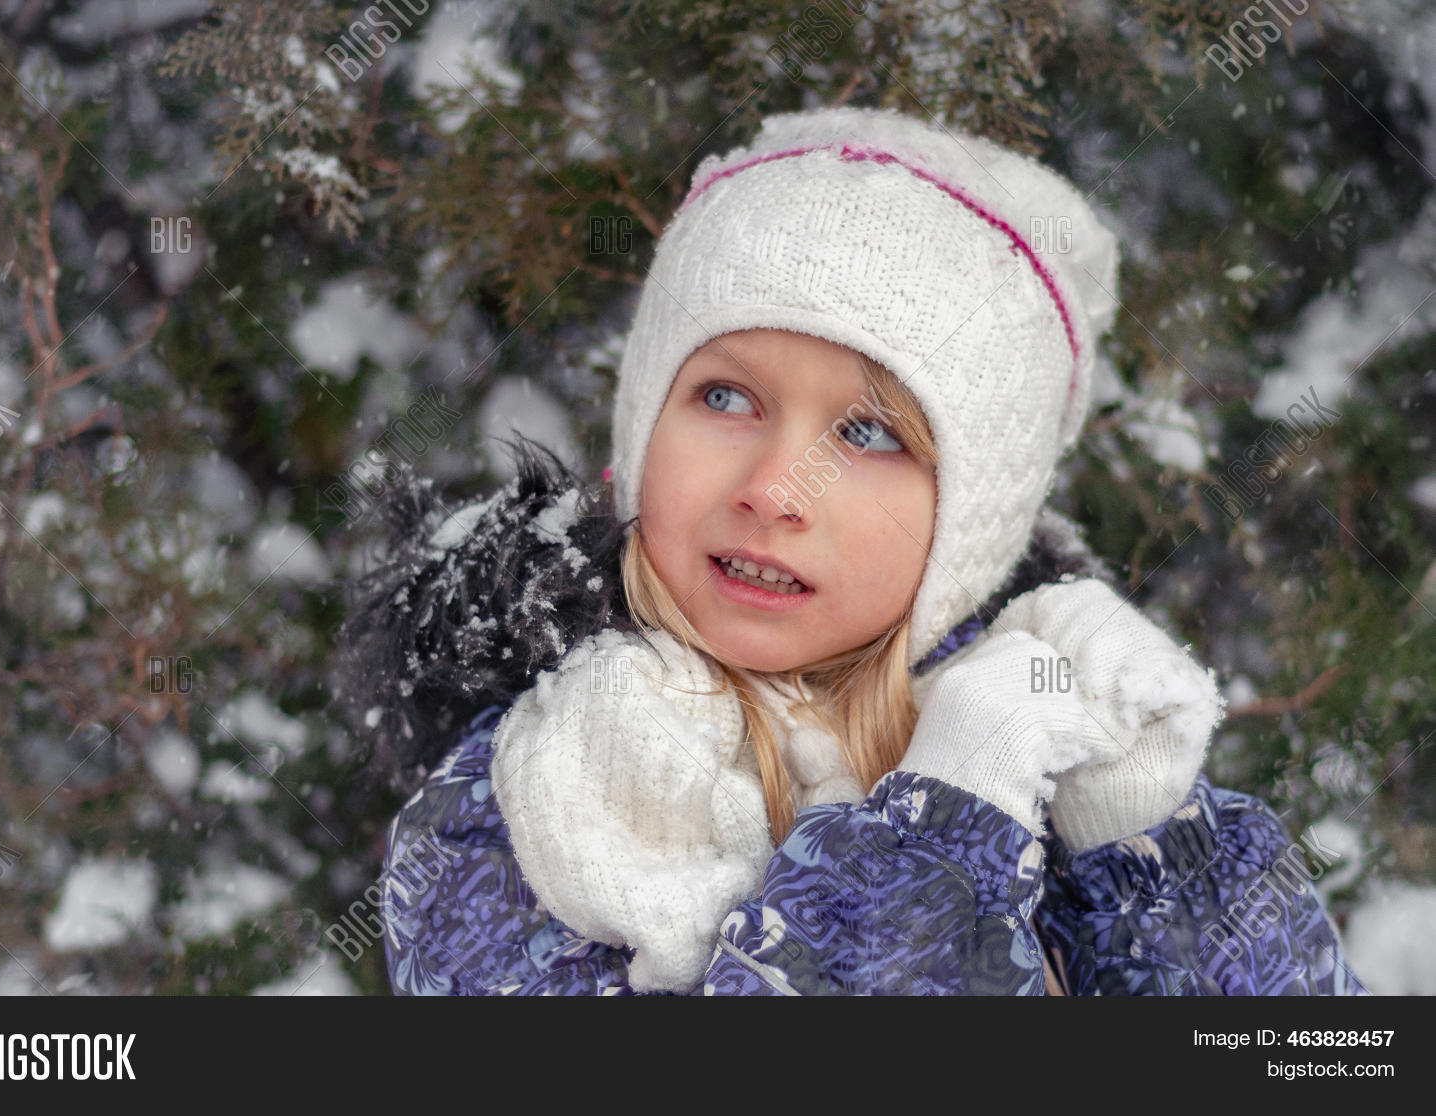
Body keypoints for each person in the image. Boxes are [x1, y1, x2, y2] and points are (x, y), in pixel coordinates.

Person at [345, 105, 1367, 996]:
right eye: (726, 397)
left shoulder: (1047, 765)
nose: (777, 489)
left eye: (870, 434)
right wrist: (949, 828)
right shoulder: (509, 814)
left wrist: (1150, 843)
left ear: (971, 527)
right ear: (641, 427)